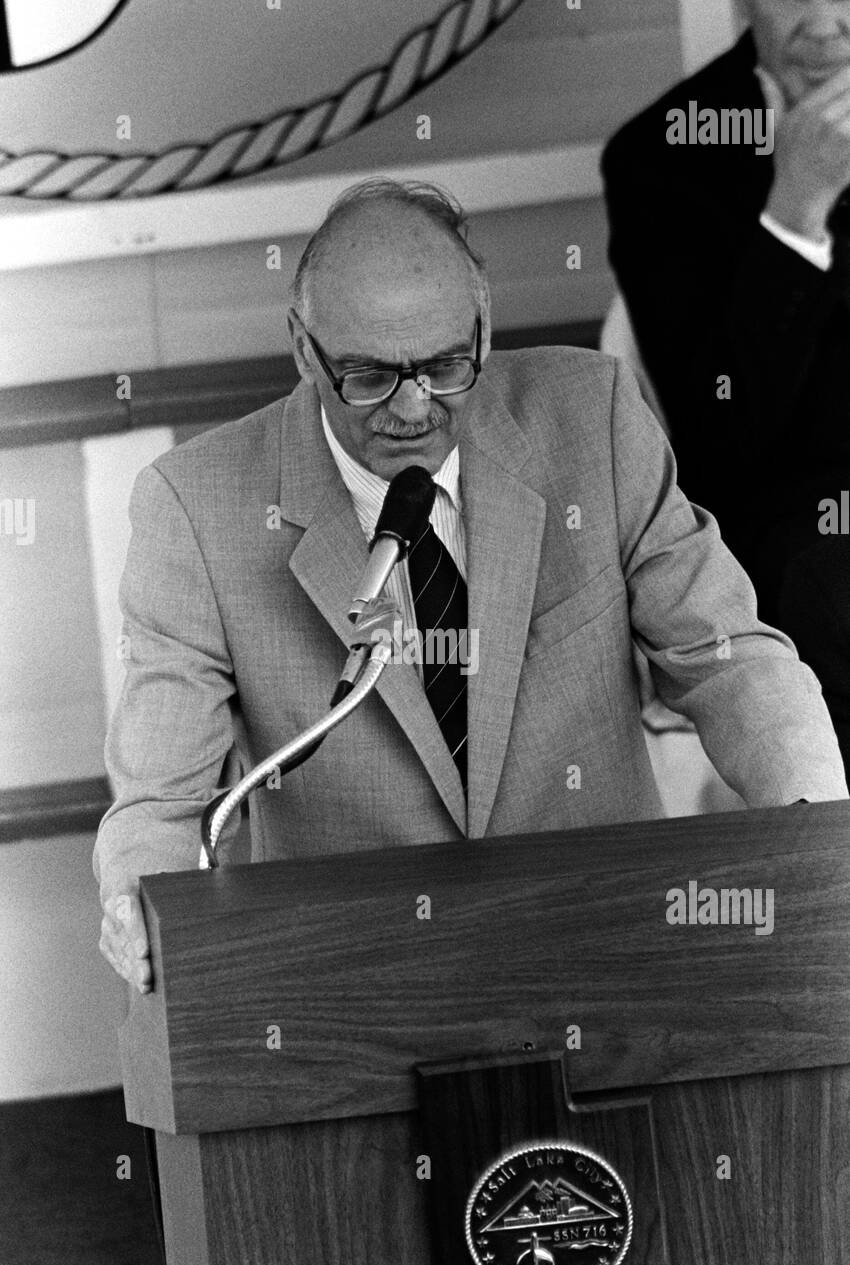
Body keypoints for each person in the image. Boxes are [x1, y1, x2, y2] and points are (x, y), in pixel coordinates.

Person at [95, 176, 847, 995]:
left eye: (448, 365)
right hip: (356, 995)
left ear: (484, 331)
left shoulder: (590, 417)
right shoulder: (195, 508)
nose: (415, 406)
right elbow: (162, 801)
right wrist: (144, 905)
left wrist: (822, 832)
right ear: (304, 348)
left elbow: (730, 660)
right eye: (370, 375)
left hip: (613, 956)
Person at [601, 0, 850, 768]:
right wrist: (796, 208)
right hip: (802, 527)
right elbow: (720, 440)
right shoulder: (660, 157)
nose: (821, 22)